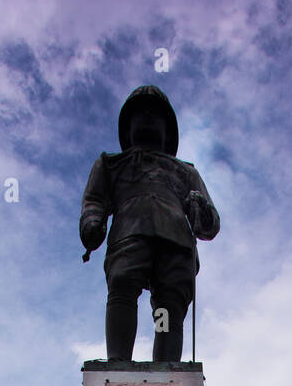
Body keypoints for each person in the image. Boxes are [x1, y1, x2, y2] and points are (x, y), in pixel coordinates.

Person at [79, 84, 220, 362]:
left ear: (168, 131)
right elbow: (94, 200)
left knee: (169, 303)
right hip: (130, 232)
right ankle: (117, 364)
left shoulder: (186, 172)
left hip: (176, 240)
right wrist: (92, 223)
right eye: (139, 114)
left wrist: (200, 209)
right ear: (127, 127)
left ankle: (166, 370)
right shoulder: (111, 165)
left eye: (155, 115)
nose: (147, 118)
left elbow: (211, 223)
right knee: (122, 285)